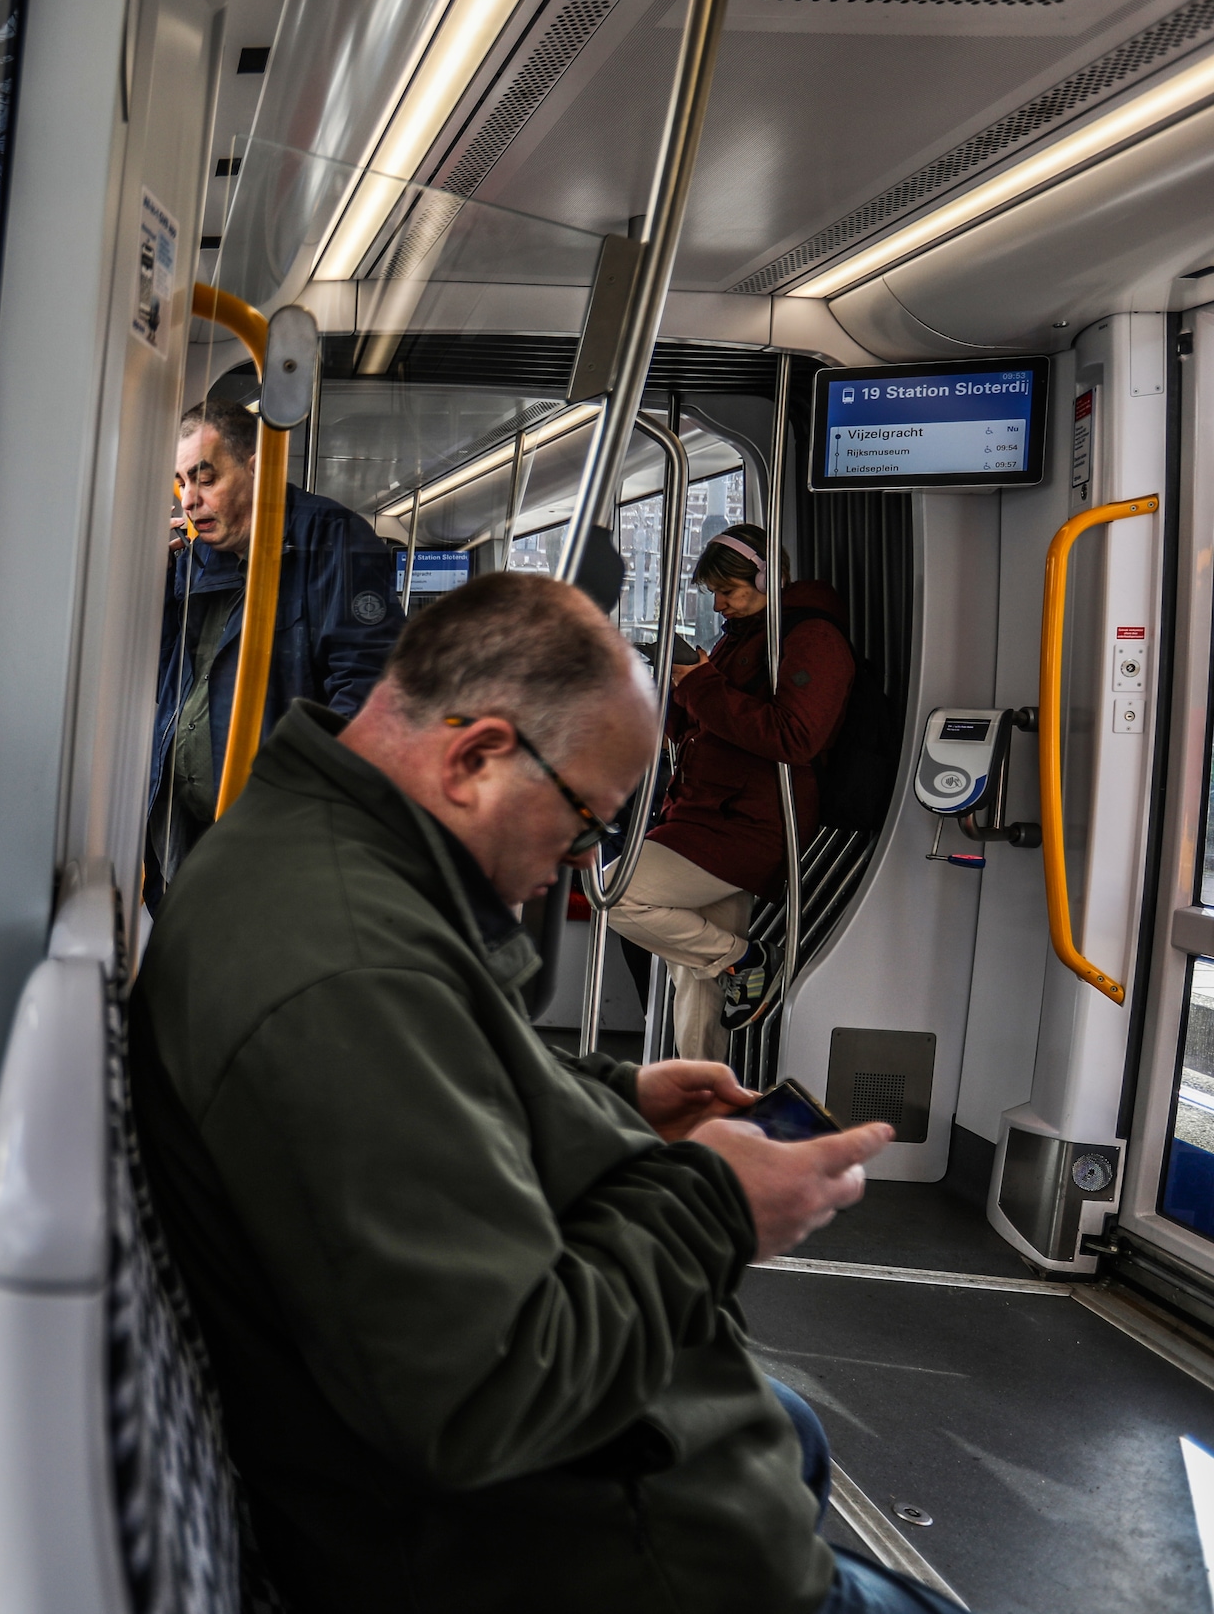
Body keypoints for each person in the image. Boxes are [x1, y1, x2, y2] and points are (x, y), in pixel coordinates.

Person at [130, 570, 921, 1614]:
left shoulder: (315, 857)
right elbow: (485, 1395)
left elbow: (435, 1074)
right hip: (578, 1555)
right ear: (474, 757)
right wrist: (714, 1203)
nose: (574, 864)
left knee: (788, 1429)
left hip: (565, 1499)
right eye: (584, 819)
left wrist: (609, 1095)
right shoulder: (350, 967)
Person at [608, 521, 854, 1057]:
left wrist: (698, 682)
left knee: (617, 893)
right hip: (711, 813)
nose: (719, 605)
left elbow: (795, 736)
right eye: (713, 593)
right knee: (697, 978)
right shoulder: (744, 637)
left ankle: (746, 959)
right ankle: (700, 1101)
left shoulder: (812, 637)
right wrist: (676, 686)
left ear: (768, 581)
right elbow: (703, 729)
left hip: (746, 824)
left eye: (729, 591)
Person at [149, 398, 402, 904]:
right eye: (181, 484)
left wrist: (304, 809)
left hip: (276, 830)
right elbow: (165, 676)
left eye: (204, 478)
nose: (189, 501)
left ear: (257, 467)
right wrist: (149, 579)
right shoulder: (192, 560)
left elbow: (366, 690)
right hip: (183, 824)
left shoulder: (332, 542)